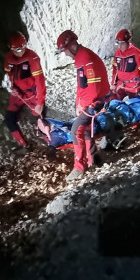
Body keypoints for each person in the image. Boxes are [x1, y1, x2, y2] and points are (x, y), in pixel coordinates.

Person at [56, 29, 111, 181]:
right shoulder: (81, 58)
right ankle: (94, 157)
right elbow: (82, 85)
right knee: (84, 128)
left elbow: (93, 88)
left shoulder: (85, 58)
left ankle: (79, 167)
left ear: (72, 46)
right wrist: (78, 103)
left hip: (97, 101)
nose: (66, 54)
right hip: (93, 100)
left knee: (75, 131)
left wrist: (84, 105)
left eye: (66, 51)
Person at [3, 31, 51, 155]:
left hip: (32, 94)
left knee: (40, 117)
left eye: (22, 48)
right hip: (19, 94)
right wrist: (13, 87)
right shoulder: (8, 58)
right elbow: (10, 74)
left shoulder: (32, 58)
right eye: (17, 49)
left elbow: (40, 82)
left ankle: (52, 143)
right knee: (9, 118)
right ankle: (23, 145)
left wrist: (40, 102)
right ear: (11, 49)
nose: (20, 51)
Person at [111, 29, 140, 99]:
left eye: (122, 43)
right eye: (118, 43)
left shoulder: (138, 54)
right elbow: (115, 70)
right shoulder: (117, 53)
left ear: (128, 41)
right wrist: (113, 84)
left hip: (133, 87)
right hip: (120, 86)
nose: (120, 46)